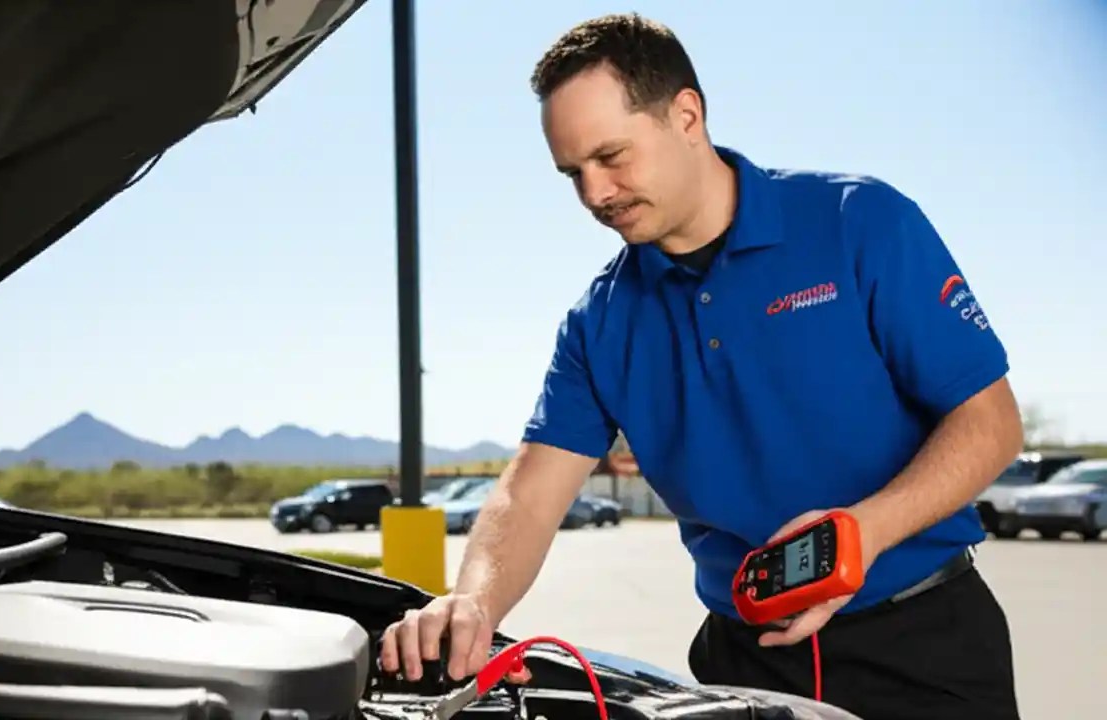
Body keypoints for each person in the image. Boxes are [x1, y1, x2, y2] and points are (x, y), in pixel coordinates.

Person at [379, 12, 1024, 720]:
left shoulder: (859, 222)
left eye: (612, 156)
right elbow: (528, 495)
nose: (596, 194)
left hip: (924, 650)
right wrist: (472, 600)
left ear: (687, 114)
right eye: (573, 174)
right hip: (738, 669)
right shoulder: (599, 322)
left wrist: (863, 533)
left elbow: (989, 422)